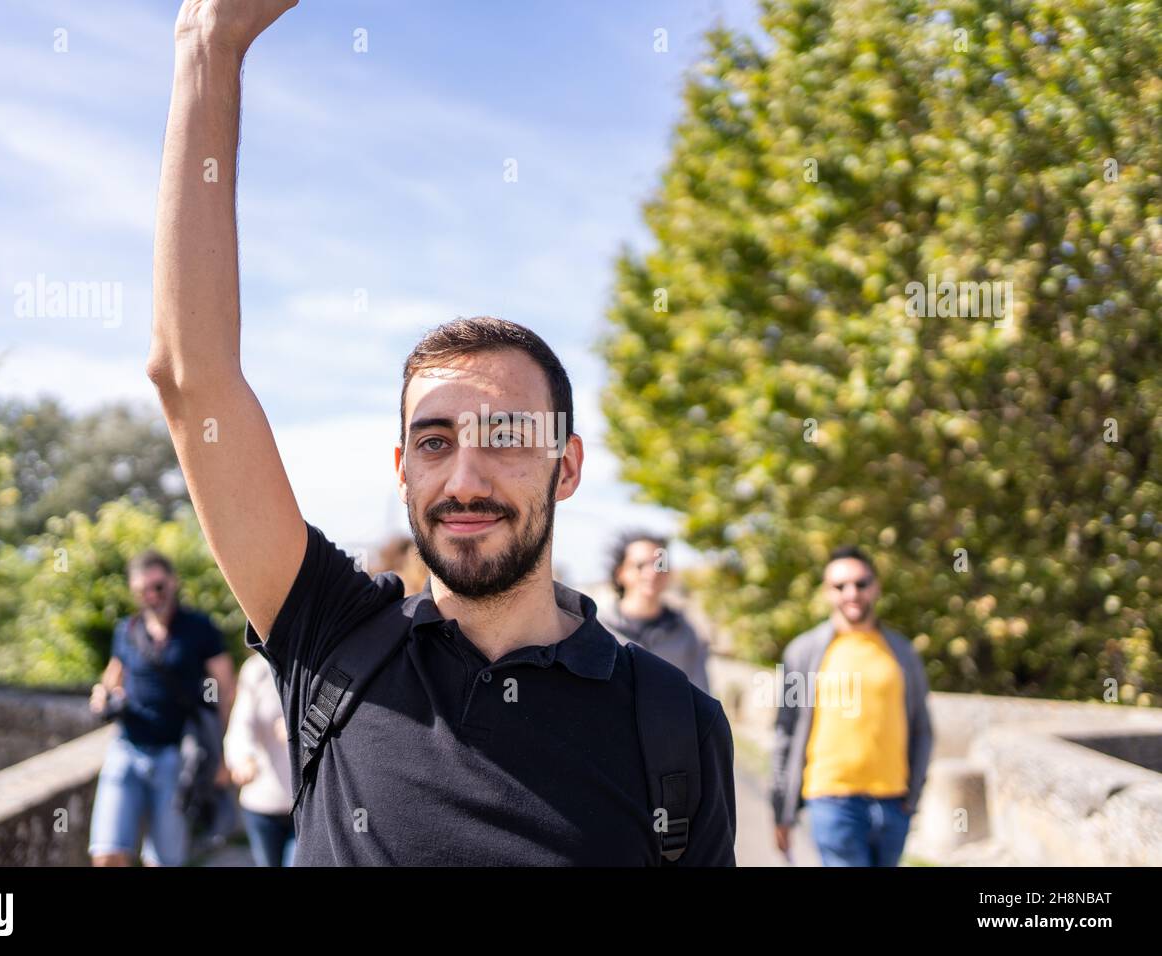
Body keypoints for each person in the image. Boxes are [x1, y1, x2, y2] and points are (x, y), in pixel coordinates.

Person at [145, 0, 736, 865]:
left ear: (565, 466)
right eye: (433, 442)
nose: (464, 477)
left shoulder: (674, 725)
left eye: (502, 434)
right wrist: (209, 43)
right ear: (402, 470)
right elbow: (188, 374)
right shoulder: (332, 643)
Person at [771, 546, 933, 867]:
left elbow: (922, 728)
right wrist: (781, 809)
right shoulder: (803, 652)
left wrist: (913, 796)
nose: (852, 593)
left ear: (876, 587)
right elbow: (785, 732)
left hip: (893, 804)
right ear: (827, 592)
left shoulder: (902, 652)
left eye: (861, 583)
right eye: (840, 586)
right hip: (831, 800)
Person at [88, 550, 236, 866]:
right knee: (107, 852)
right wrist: (102, 694)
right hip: (126, 748)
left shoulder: (198, 627)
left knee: (164, 860)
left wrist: (222, 751)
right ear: (134, 592)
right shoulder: (127, 630)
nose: (153, 595)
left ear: (173, 582)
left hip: (176, 758)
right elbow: (113, 675)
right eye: (144, 590)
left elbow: (225, 687)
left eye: (159, 586)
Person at [599, 531, 711, 694]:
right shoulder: (596, 629)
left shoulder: (686, 635)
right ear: (620, 573)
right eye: (640, 565)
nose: (652, 573)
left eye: (660, 564)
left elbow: (701, 699)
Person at [224, 652, 296, 866]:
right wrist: (243, 758)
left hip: (306, 805)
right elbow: (241, 725)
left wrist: (299, 732)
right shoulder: (257, 669)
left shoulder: (324, 663)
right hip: (263, 802)